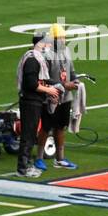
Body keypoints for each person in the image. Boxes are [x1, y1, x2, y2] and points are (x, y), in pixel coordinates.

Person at [35, 22, 80, 171]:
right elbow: (44, 78)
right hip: (50, 96)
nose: (62, 40)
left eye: (63, 37)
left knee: (61, 126)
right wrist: (63, 84)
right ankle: (39, 157)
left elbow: (71, 70)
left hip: (65, 96)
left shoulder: (66, 50)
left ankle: (60, 158)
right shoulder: (45, 54)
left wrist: (75, 80)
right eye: (59, 37)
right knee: (46, 127)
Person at [15, 31, 59, 178]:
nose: (49, 45)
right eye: (47, 42)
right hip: (30, 100)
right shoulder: (33, 60)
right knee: (28, 134)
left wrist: (58, 84)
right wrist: (49, 90)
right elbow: (32, 84)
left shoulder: (36, 58)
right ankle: (23, 168)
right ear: (40, 43)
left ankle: (25, 165)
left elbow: (41, 80)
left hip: (34, 100)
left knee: (31, 134)